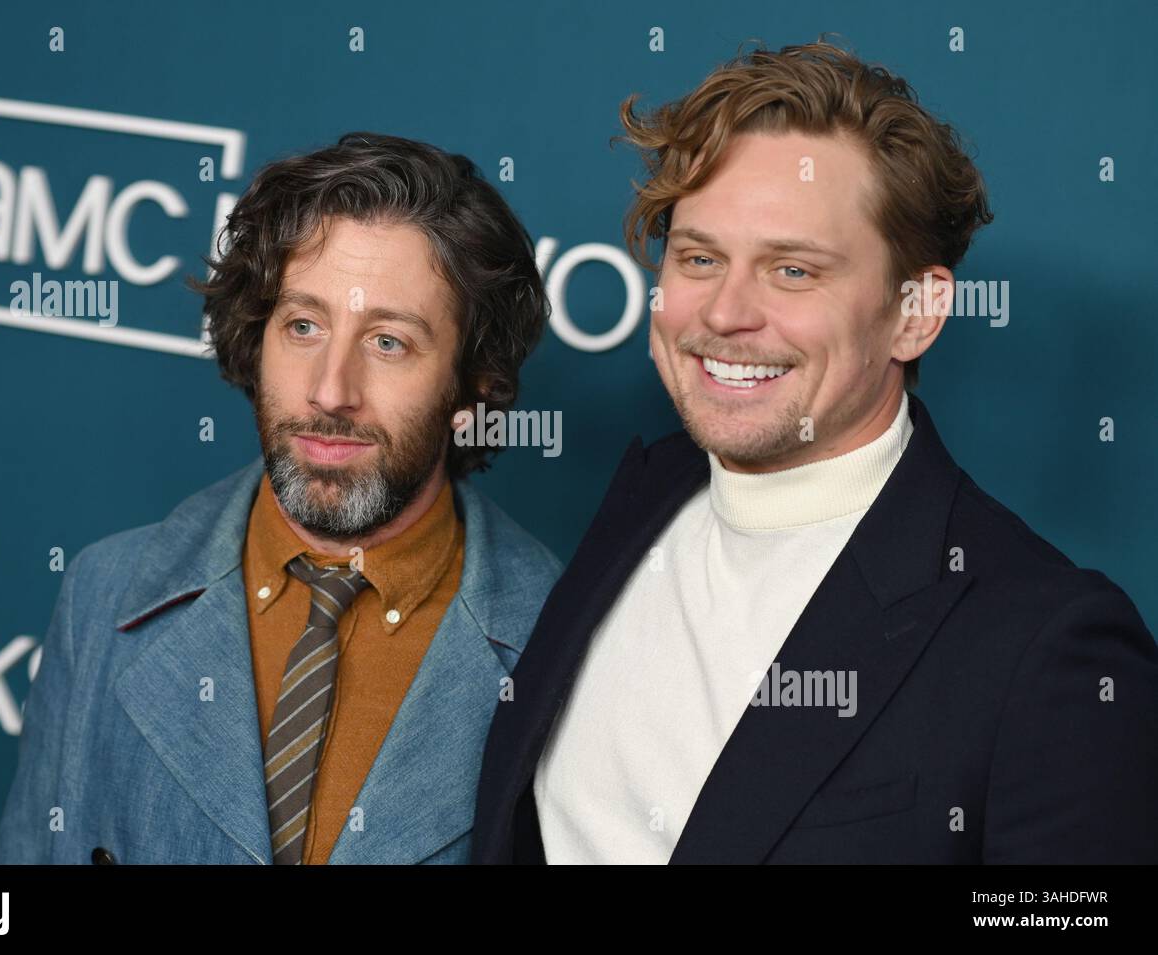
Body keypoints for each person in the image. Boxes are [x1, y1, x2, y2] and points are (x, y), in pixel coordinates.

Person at [472, 41, 1158, 864]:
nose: (726, 313)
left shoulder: (1048, 645)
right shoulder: (642, 500)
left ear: (916, 312)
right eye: (699, 258)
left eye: (793, 270)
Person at [0, 132, 561, 864]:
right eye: (303, 325)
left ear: (475, 380)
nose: (330, 391)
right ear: (255, 335)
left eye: (389, 341)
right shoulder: (101, 598)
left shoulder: (564, 643)